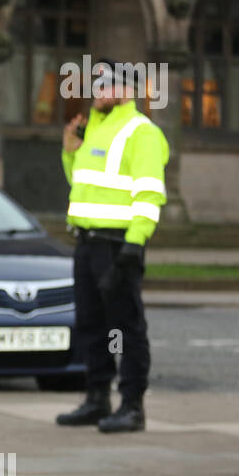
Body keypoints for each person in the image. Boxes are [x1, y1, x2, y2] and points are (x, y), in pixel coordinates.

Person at [56, 57, 169, 433]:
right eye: (97, 86)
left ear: (126, 91)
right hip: (87, 241)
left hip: (118, 243)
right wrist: (70, 151)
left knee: (127, 326)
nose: (98, 92)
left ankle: (132, 405)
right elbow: (81, 185)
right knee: (91, 323)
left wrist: (134, 244)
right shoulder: (95, 128)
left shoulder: (142, 132)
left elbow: (149, 194)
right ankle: (96, 398)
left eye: (106, 86)